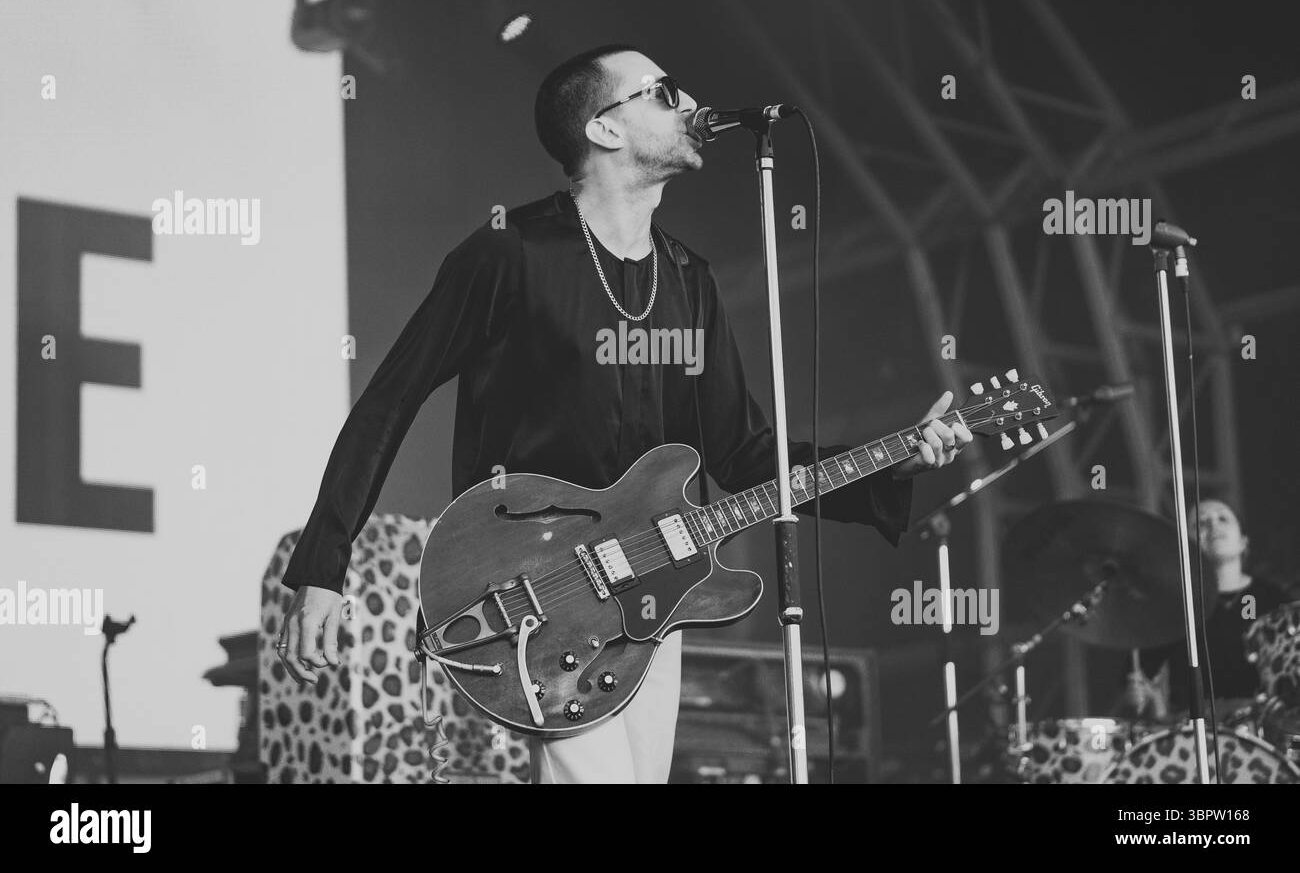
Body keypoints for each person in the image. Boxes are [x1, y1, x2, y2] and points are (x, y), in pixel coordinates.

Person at [275, 44, 972, 783]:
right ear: (604, 130)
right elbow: (390, 400)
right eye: (663, 92)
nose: (689, 101)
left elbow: (742, 454)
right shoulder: (510, 255)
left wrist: (890, 460)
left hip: (653, 592)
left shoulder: (687, 281)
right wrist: (323, 563)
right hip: (534, 585)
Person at [1125, 498, 1290, 720]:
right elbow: (1138, 675)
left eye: (1223, 518)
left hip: (1266, 728)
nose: (1213, 526)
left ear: (1243, 541)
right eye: (1200, 524)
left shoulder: (1274, 598)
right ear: (1188, 546)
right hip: (1195, 732)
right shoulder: (1176, 605)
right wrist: (1141, 693)